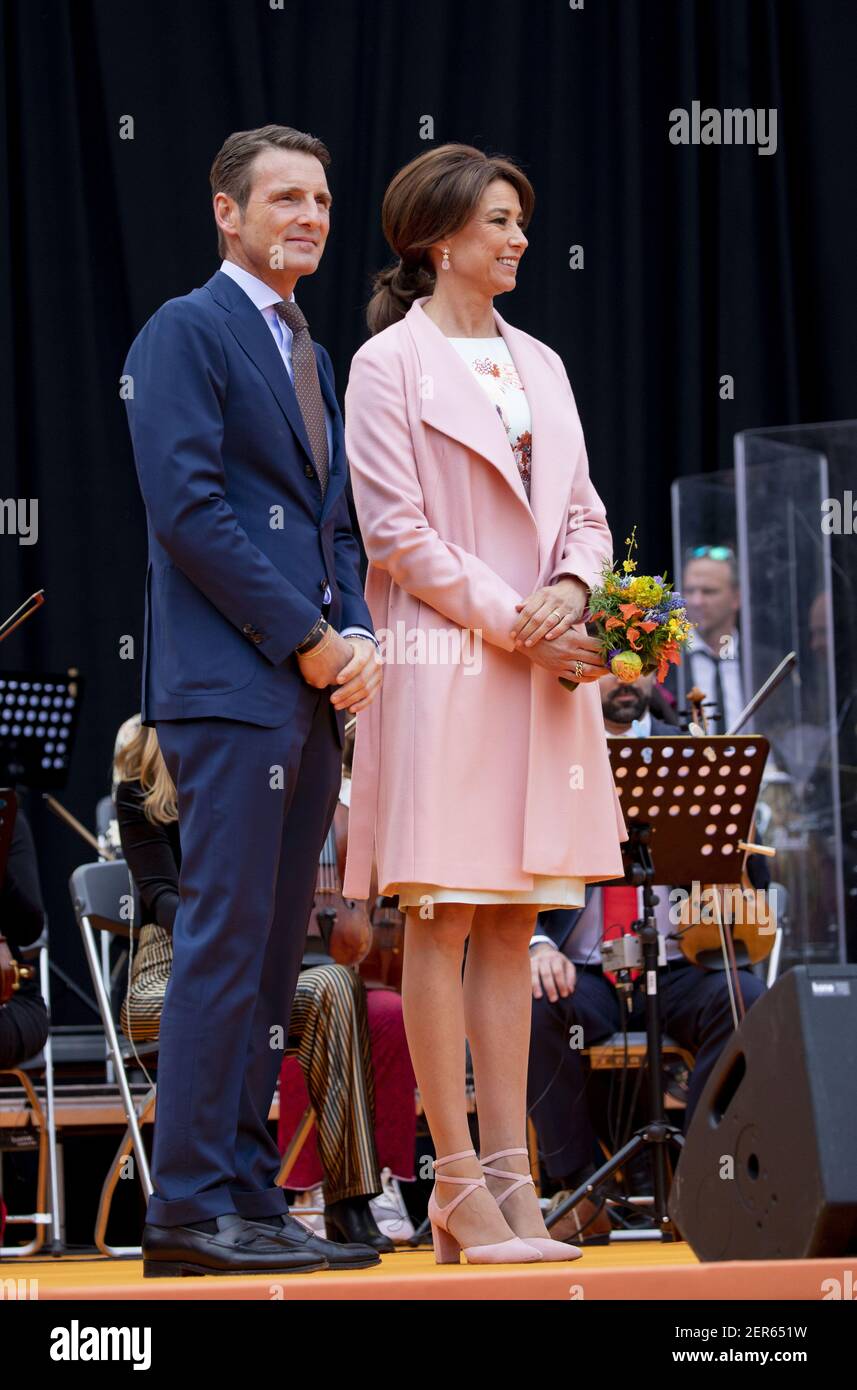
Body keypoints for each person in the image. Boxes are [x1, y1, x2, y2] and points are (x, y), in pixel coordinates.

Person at [342, 144, 627, 1264]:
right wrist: (523, 618)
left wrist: (569, 592)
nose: (517, 239)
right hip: (449, 668)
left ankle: (514, 1189)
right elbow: (396, 536)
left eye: (518, 221)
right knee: (444, 914)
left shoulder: (543, 363)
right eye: (498, 221)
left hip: (539, 676)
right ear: (436, 239)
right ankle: (452, 1182)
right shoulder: (384, 367)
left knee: (512, 924)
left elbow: (588, 518)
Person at [123, 124, 382, 1278]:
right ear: (226, 212)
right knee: (224, 945)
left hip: (306, 693)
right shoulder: (185, 330)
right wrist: (309, 640)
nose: (310, 215)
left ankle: (243, 1192)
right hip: (232, 688)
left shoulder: (310, 355)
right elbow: (189, 515)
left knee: (277, 958)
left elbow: (332, 524)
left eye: (321, 199)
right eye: (284, 197)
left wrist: (359, 631)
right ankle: (182, 1207)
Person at [111, 714, 409, 1253]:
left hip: (251, 956)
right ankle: (206, 1203)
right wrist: (235, 934)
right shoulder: (138, 779)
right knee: (229, 993)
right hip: (172, 964)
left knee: (338, 985)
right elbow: (160, 896)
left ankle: (349, 1201)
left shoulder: (250, 770)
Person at [527, 671, 768, 1239]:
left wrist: (736, 820)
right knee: (534, 1004)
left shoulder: (690, 750)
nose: (625, 676)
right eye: (611, 661)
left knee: (744, 998)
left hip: (679, 963)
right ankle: (580, 1187)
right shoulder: (552, 751)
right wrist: (536, 942)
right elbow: (517, 861)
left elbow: (753, 873)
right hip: (587, 971)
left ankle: (703, 1177)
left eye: (640, 661)